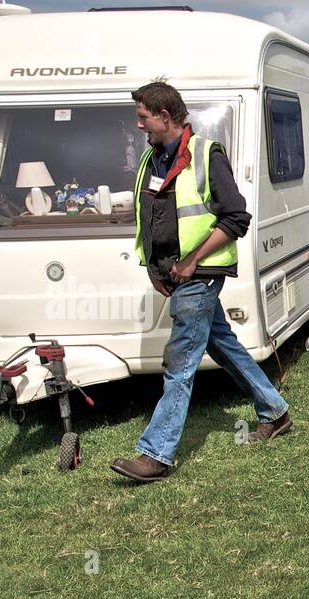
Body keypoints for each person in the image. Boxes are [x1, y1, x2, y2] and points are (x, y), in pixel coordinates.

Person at [111, 80, 291, 483]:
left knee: (181, 361)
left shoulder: (206, 155)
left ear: (165, 116)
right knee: (222, 345)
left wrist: (193, 261)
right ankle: (275, 412)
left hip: (200, 274)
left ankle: (155, 454)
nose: (138, 125)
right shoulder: (151, 160)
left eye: (143, 117)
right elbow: (152, 218)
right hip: (173, 275)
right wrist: (154, 268)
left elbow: (236, 218)